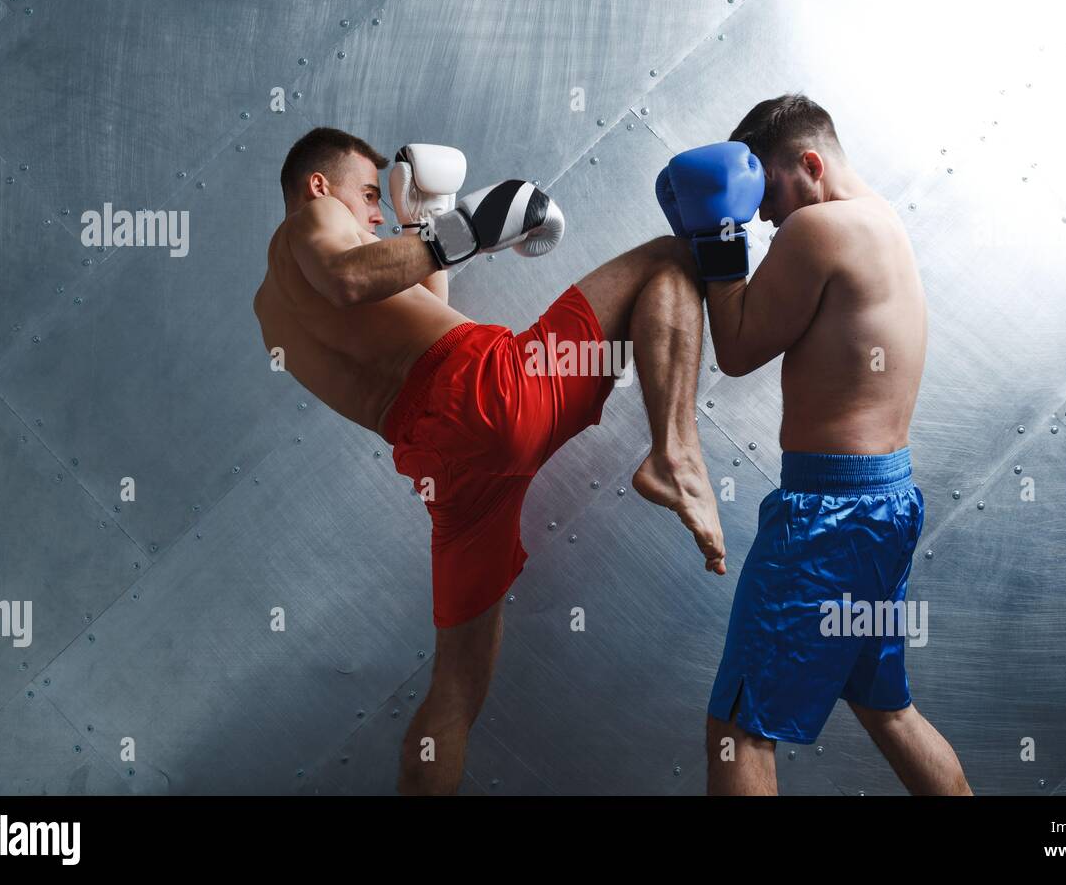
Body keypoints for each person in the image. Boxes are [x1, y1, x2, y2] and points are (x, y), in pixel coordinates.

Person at [253, 128, 726, 794]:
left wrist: (428, 226)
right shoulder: (314, 218)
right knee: (670, 259)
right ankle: (675, 454)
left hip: (441, 462)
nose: (374, 215)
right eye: (366, 196)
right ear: (318, 186)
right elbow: (348, 277)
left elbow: (415, 315)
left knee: (457, 686)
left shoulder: (269, 314)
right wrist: (464, 229)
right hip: (491, 387)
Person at [656, 94, 972, 795]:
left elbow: (736, 348)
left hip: (829, 517)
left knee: (739, 732)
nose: (764, 215)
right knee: (887, 709)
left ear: (810, 163)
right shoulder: (883, 222)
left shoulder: (819, 230)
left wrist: (714, 238)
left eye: (767, 191)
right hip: (886, 504)